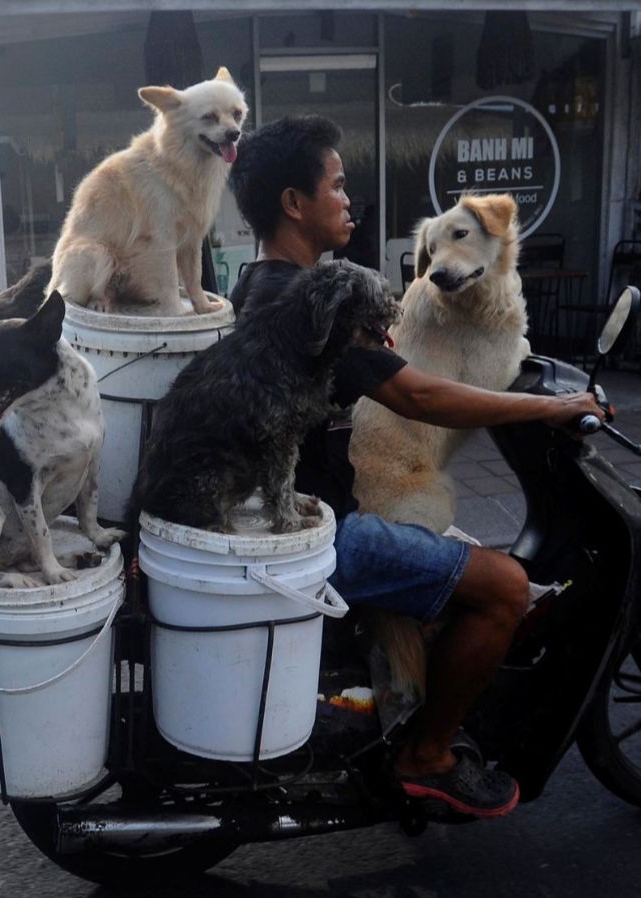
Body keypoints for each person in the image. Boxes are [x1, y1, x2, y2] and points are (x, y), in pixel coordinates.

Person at [227, 115, 605, 819]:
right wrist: (547, 410)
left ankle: (403, 707)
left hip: (291, 517)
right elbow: (420, 395)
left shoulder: (259, 285)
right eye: (336, 186)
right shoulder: (312, 301)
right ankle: (427, 756)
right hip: (319, 535)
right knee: (506, 588)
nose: (348, 201)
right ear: (294, 204)